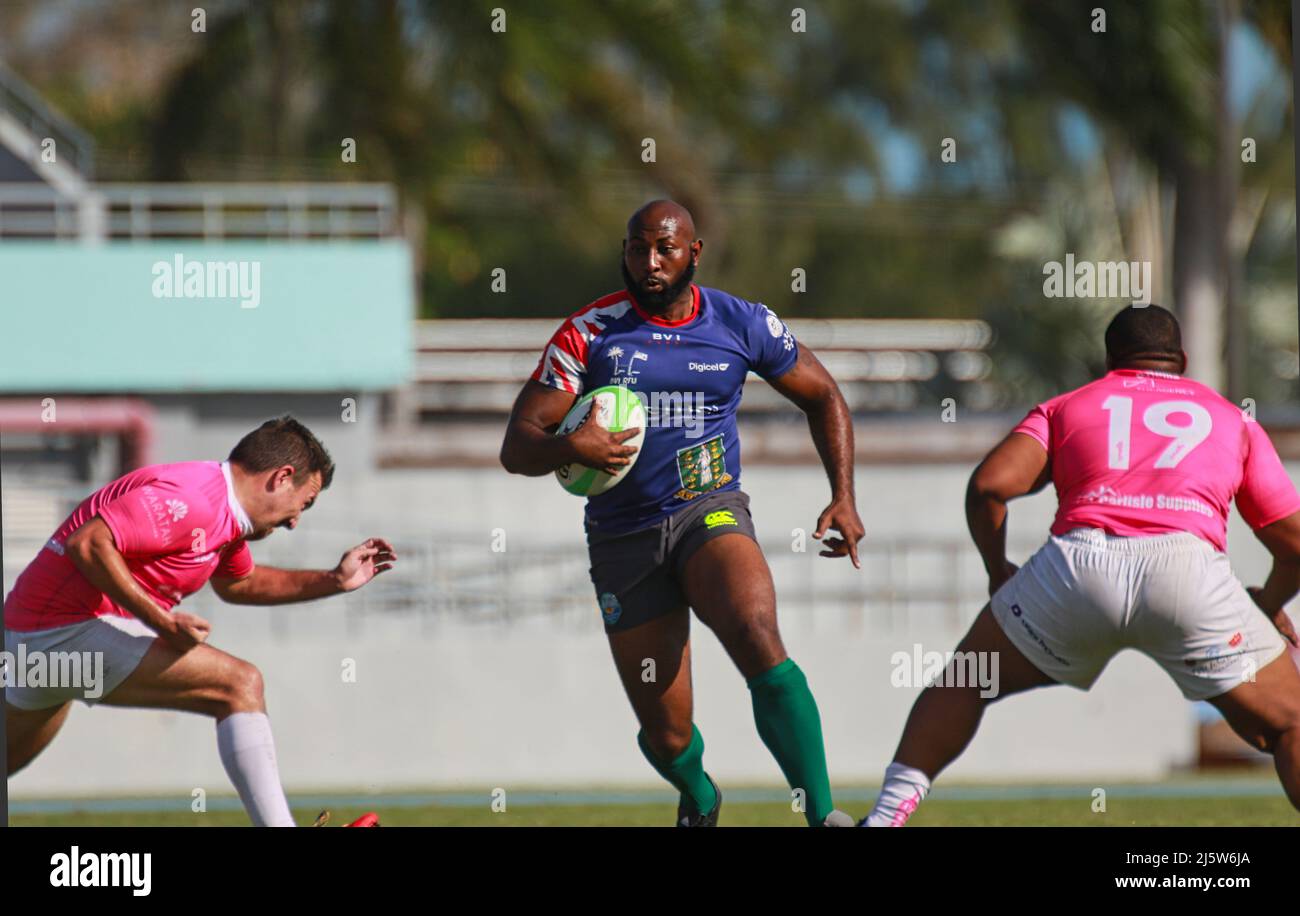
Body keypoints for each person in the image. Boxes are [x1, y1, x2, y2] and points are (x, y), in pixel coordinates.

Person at [863, 304, 1300, 826]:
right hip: (1190, 575)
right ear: (1181, 360)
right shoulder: (1233, 419)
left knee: (963, 682)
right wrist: (1267, 604)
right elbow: (1294, 543)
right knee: (1289, 724)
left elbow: (989, 487)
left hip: (1079, 566)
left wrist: (996, 567)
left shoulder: (1068, 405)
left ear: (1110, 360)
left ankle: (885, 819)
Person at [500, 200, 864, 826]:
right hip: (623, 538)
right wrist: (569, 444)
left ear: (693, 253)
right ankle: (699, 795)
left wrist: (844, 495)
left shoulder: (741, 323)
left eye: (665, 248)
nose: (650, 261)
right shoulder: (589, 333)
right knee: (667, 734)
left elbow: (824, 394)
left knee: (757, 632)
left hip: (709, 511)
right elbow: (517, 445)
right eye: (638, 248)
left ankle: (824, 816)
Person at [5, 416, 396, 827]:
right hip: (57, 635)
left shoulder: (223, 517)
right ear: (282, 477)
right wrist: (162, 621)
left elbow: (239, 585)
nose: (296, 520)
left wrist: (334, 580)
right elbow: (87, 543)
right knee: (240, 685)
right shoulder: (194, 500)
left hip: (34, 642)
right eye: (305, 501)